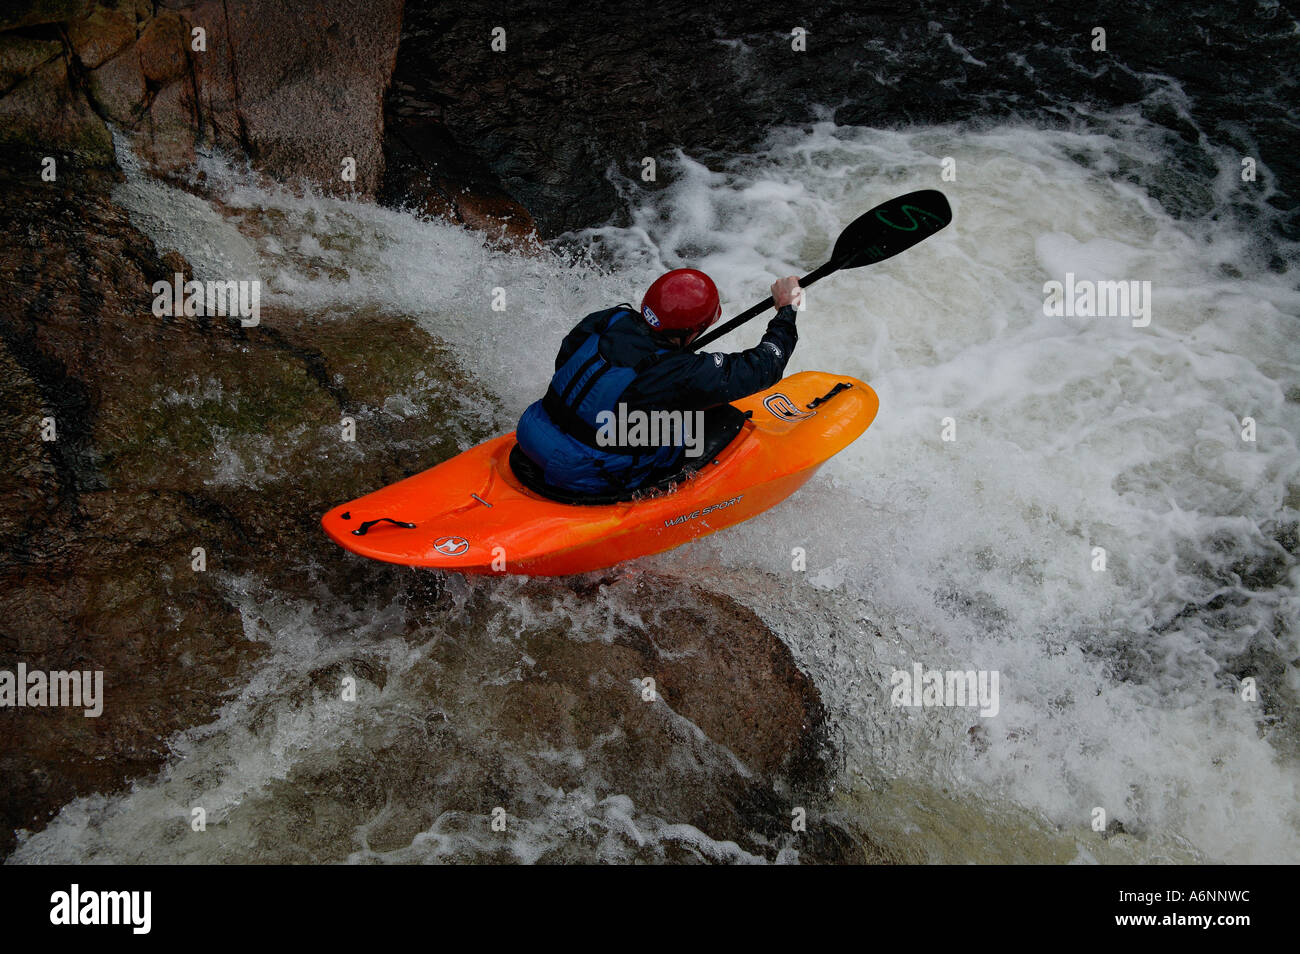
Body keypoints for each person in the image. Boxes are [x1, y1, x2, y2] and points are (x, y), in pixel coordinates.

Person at [515, 268, 803, 495]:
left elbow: (564, 362)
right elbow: (766, 366)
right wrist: (787, 309)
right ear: (694, 330)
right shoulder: (681, 373)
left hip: (532, 431)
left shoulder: (608, 320)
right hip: (581, 473)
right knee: (722, 420)